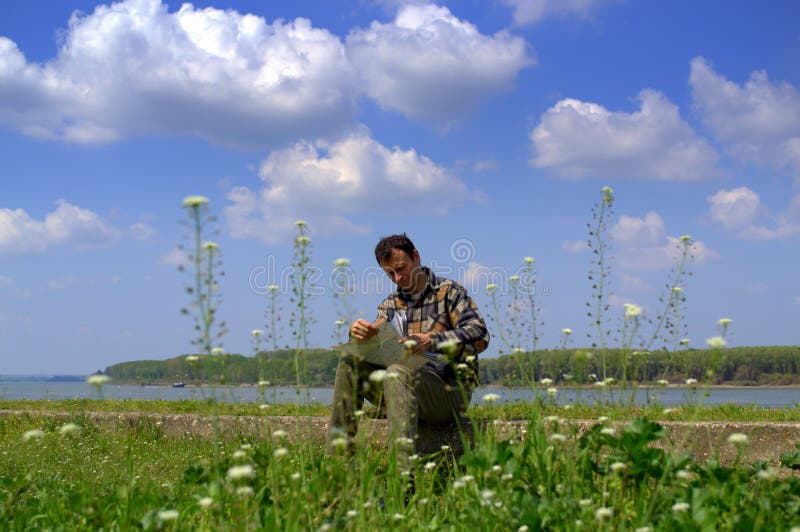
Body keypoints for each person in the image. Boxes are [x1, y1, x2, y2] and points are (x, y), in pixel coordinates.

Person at [328, 233, 489, 470]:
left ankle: (402, 477)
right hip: (402, 389)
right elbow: (375, 341)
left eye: (401, 268)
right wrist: (359, 333)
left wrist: (432, 340)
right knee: (350, 363)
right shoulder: (391, 303)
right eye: (390, 274)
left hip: (446, 393)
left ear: (416, 256)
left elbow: (479, 334)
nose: (398, 278)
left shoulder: (449, 292)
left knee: (398, 372)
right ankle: (338, 468)